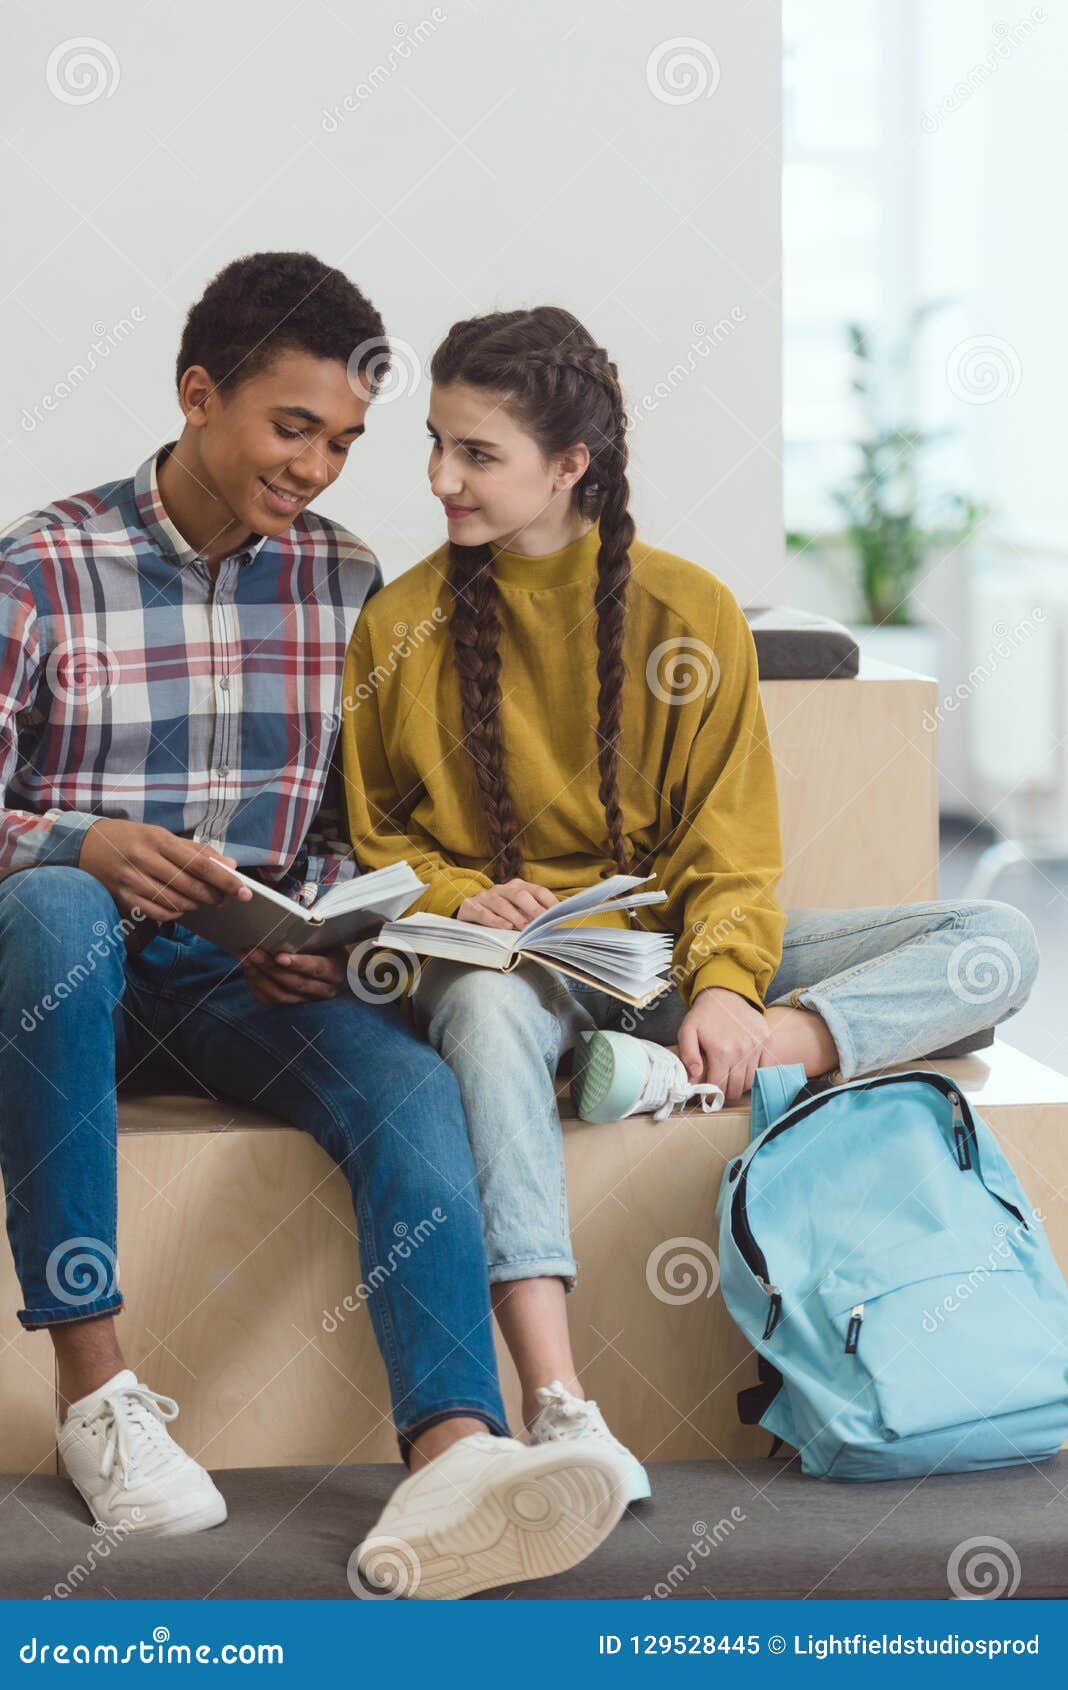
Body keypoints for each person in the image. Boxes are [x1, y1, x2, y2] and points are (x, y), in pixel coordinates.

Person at [0, 259, 632, 1599]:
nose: (321, 466)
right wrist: (77, 841)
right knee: (57, 908)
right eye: (295, 428)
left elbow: (355, 825)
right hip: (58, 973)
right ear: (198, 395)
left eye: (345, 440)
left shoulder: (348, 585)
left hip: (237, 975)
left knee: (407, 1079)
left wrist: (331, 930)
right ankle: (96, 1390)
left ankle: (457, 1447)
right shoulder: (40, 567)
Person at [340, 304, 1041, 1503]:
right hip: (512, 969)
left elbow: (732, 848)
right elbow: (378, 838)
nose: (441, 478)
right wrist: (469, 893)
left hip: (674, 964)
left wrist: (728, 989)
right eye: (436, 444)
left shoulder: (690, 611)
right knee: (486, 1018)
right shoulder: (400, 621)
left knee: (995, 939)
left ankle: (759, 1049)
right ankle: (559, 1403)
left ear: (571, 468)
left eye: (478, 454)